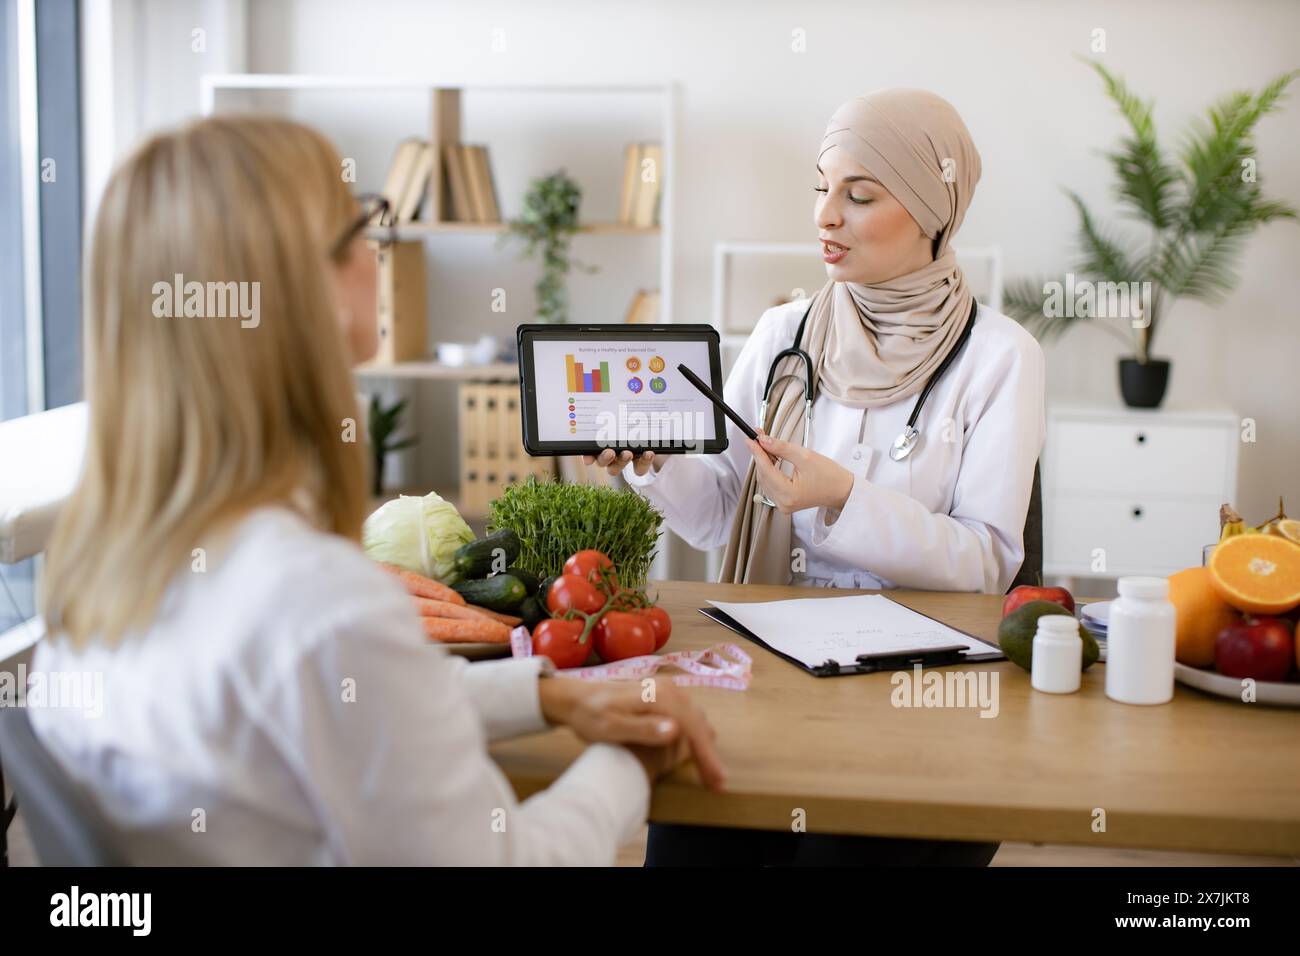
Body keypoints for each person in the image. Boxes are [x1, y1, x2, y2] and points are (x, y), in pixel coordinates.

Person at [31, 115, 723, 866]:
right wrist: (636, 766)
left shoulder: (100, 573)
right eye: (361, 224)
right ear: (307, 289)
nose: (378, 251)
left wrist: (545, 695)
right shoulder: (319, 606)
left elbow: (347, 707)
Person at [587, 88, 1045, 865]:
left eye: (859, 195)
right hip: (767, 670)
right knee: (689, 842)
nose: (825, 215)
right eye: (821, 188)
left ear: (934, 210)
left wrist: (845, 499)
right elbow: (718, 516)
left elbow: (989, 562)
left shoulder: (1000, 356)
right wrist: (656, 466)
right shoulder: (782, 333)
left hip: (916, 691)